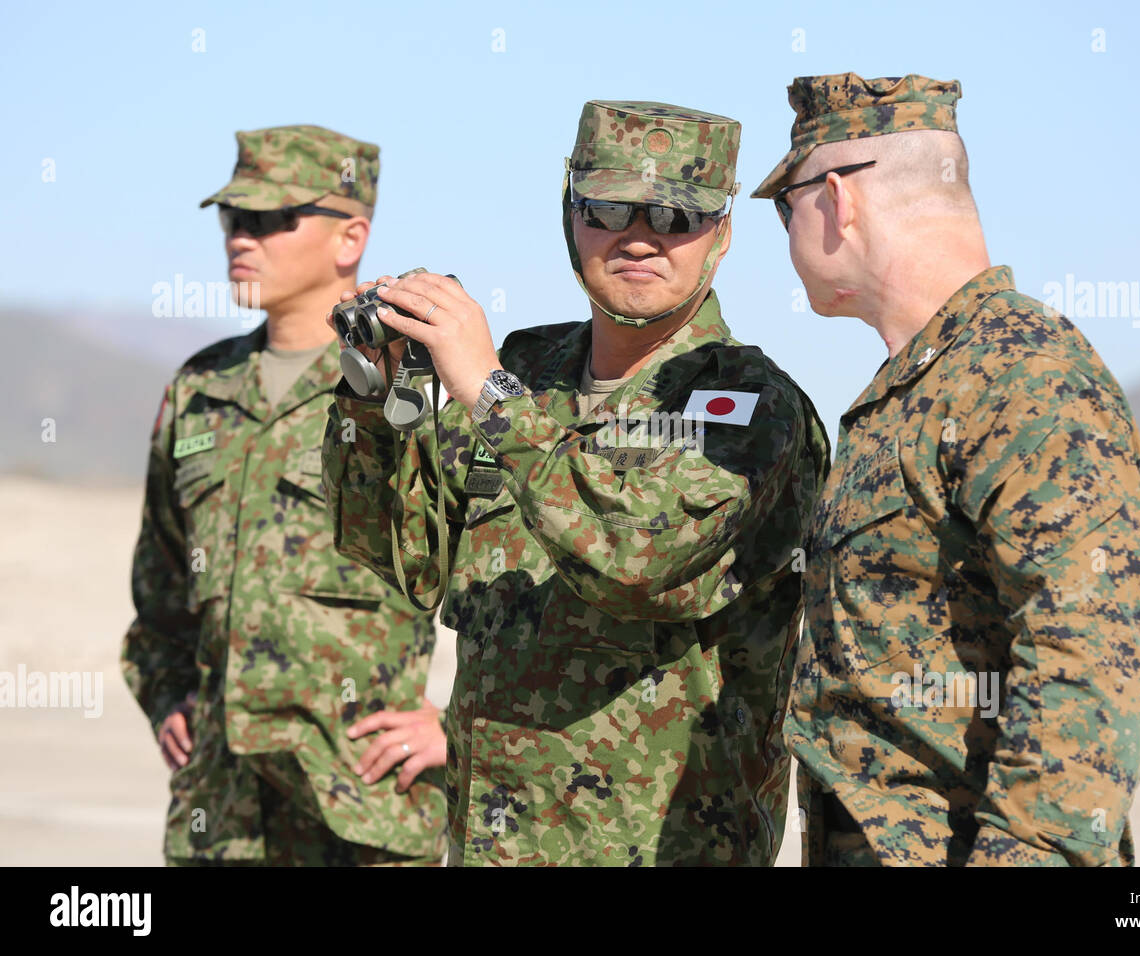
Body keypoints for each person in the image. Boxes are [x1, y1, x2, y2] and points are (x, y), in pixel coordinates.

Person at [322, 100, 829, 865]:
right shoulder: (529, 370)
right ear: (571, 216)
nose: (638, 237)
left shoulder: (747, 406)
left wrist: (489, 396)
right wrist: (371, 402)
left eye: (674, 214)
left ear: (720, 238)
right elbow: (401, 559)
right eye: (608, 208)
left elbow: (633, 558)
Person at [751, 74, 1140, 866]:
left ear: (838, 200)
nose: (787, 230)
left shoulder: (1026, 376)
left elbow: (1090, 674)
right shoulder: (923, 384)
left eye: (784, 205)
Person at [122, 124, 447, 865]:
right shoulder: (202, 390)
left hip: (360, 814)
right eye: (235, 218)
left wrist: (454, 726)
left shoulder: (410, 388)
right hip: (222, 820)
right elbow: (161, 589)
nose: (243, 237)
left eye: (272, 219)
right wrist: (171, 697)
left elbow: (511, 588)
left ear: (349, 238)